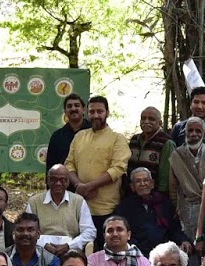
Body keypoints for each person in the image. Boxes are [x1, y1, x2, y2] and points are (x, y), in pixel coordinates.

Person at [65, 95, 130, 233]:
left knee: (103, 249)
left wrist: (89, 186)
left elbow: (117, 169)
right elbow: (69, 164)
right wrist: (79, 186)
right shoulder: (79, 136)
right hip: (81, 204)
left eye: (99, 111)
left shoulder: (117, 139)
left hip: (106, 208)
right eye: (91, 112)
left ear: (107, 112)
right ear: (87, 113)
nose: (95, 115)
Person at [168, 117, 205, 248]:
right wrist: (177, 208)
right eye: (190, 130)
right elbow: (173, 186)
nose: (194, 134)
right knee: (190, 245)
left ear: (204, 134)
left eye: (198, 131)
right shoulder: (176, 155)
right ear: (185, 133)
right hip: (187, 208)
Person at [27, 164, 94, 259]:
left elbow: (89, 231)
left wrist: (69, 246)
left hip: (70, 254)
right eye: (54, 179)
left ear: (68, 182)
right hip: (40, 253)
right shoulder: (34, 202)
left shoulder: (78, 201)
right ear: (47, 180)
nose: (58, 183)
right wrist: (44, 245)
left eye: (63, 180)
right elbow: (27, 230)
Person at [113, 167, 185, 255]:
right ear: (132, 187)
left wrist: (183, 240)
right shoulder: (124, 208)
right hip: (138, 253)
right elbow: (124, 235)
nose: (142, 184)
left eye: (146, 180)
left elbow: (175, 228)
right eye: (138, 181)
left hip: (165, 250)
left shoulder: (163, 202)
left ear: (152, 184)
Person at [127, 105, 174, 194]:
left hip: (154, 196)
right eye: (143, 118)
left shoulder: (166, 142)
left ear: (159, 123)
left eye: (151, 119)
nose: (146, 121)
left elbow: (166, 174)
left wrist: (160, 195)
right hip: (132, 194)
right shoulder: (134, 140)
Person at [45, 92, 85, 175]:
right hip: (63, 185)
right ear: (65, 111)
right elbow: (50, 166)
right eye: (69, 106)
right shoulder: (57, 136)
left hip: (89, 184)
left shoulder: (93, 132)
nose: (73, 108)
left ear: (83, 109)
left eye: (77, 105)